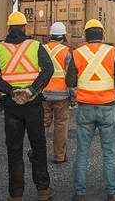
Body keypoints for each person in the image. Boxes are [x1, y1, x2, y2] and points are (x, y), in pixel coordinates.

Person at [0, 11, 55, 201]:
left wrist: (11, 91)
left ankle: (15, 194)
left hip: (11, 106)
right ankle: (43, 190)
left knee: (14, 149)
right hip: (33, 105)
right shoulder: (35, 46)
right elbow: (48, 70)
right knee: (38, 147)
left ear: (9, 28)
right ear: (24, 27)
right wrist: (31, 90)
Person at [66, 19, 115, 201]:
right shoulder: (112, 52)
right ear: (102, 34)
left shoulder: (77, 53)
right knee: (108, 152)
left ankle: (79, 194)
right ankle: (112, 193)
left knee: (82, 152)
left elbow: (70, 82)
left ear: (86, 35)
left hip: (85, 108)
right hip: (107, 108)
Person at [42, 21, 72, 163]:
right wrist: (72, 94)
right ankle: (59, 156)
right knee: (60, 125)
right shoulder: (66, 52)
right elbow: (70, 76)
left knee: (43, 123)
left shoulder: (42, 49)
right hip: (61, 95)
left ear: (51, 35)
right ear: (63, 36)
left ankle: (38, 154)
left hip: (44, 94)